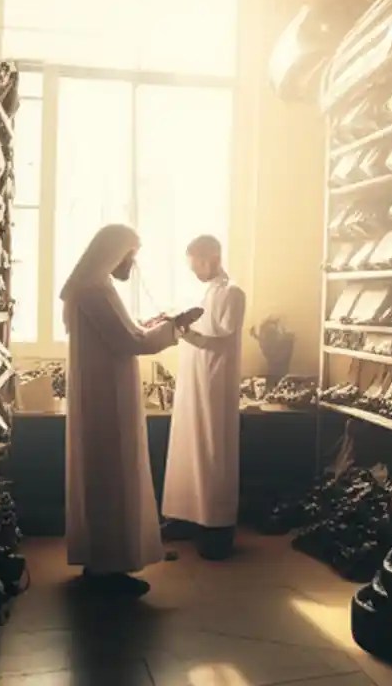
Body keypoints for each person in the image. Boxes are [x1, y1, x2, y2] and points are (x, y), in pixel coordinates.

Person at [60, 224, 202, 596]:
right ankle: (109, 567)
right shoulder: (95, 290)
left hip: (104, 392)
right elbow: (128, 341)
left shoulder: (92, 287)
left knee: (106, 475)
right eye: (130, 255)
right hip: (106, 397)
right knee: (112, 475)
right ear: (113, 253)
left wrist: (155, 325)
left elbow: (125, 332)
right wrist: (176, 325)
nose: (132, 264)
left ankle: (107, 560)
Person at [161, 235, 246, 560]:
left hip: (215, 382)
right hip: (192, 379)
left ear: (210, 258)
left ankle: (215, 527)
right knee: (187, 444)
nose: (193, 269)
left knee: (212, 449)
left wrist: (184, 332)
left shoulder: (232, 293)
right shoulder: (202, 291)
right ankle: (185, 517)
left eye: (196, 263)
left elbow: (219, 340)